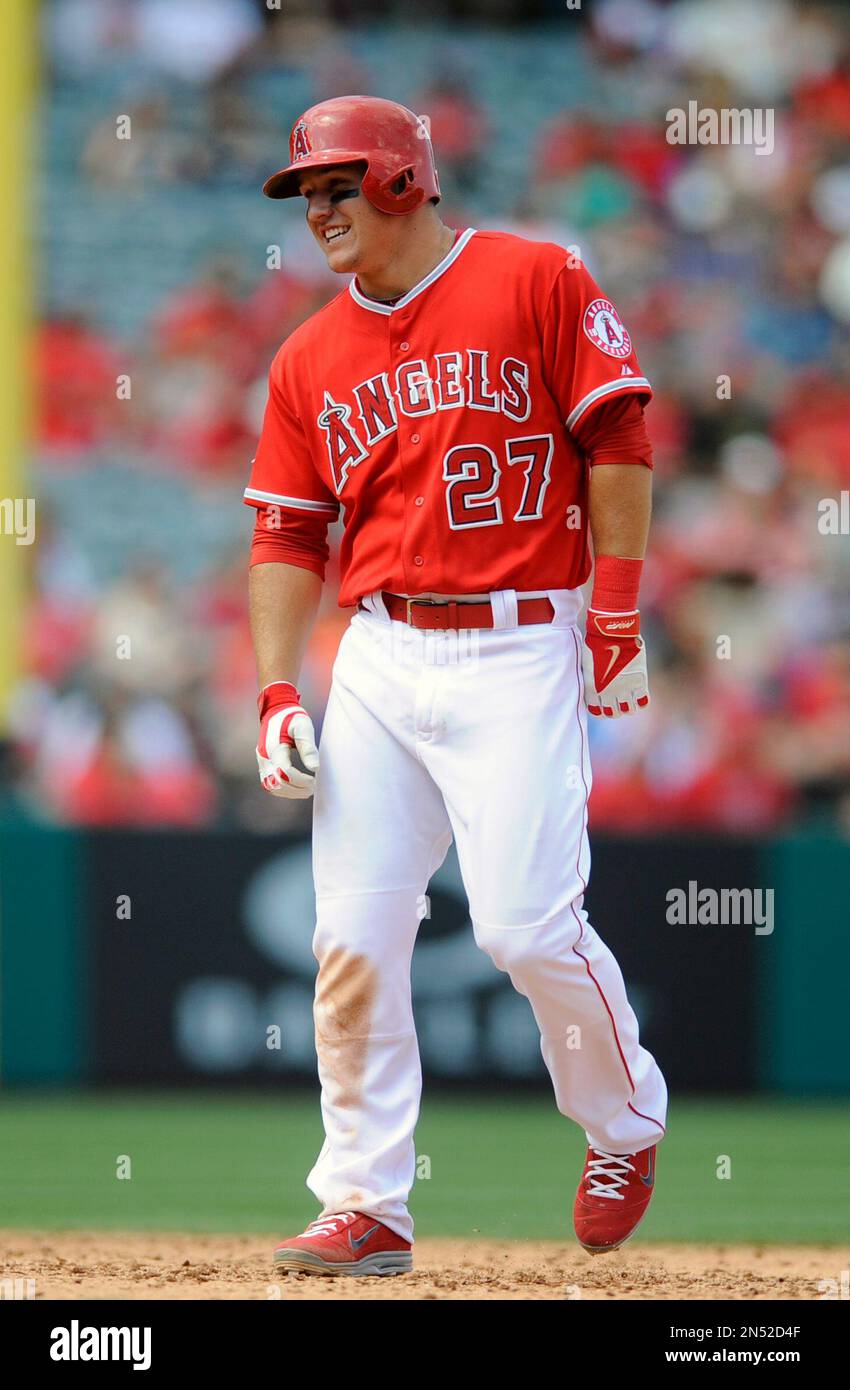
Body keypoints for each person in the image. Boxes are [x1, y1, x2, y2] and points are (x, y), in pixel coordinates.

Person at [245, 96, 667, 1278]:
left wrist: (618, 608)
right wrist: (279, 688)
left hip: (518, 639)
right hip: (376, 650)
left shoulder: (534, 276)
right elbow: (285, 537)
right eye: (305, 193)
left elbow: (619, 441)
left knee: (525, 925)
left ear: (399, 179)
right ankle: (367, 1200)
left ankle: (623, 1118)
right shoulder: (306, 357)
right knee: (354, 933)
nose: (317, 210)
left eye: (333, 185)